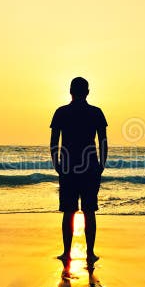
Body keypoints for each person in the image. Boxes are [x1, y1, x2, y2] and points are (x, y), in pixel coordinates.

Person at [49, 77, 108, 265]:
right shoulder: (96, 113)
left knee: (69, 210)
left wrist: (56, 163)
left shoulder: (61, 112)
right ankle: (90, 253)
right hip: (90, 166)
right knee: (89, 210)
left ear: (70, 91)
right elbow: (103, 141)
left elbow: (53, 141)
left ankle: (67, 253)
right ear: (88, 92)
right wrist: (102, 164)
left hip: (68, 166)